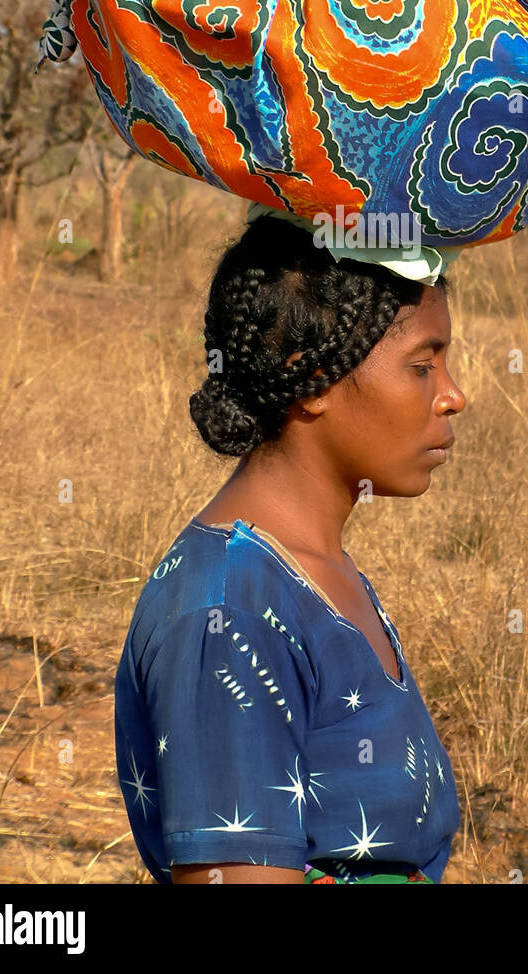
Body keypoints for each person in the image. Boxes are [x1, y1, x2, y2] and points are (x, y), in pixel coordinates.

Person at [114, 212, 465, 884]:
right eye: (423, 366)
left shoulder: (320, 573)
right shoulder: (228, 614)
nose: (453, 395)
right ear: (312, 381)